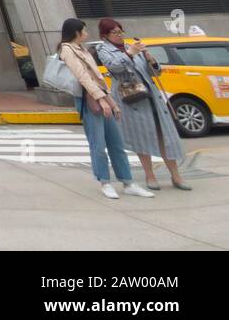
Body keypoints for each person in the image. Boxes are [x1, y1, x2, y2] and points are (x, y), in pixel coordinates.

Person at [56, 17, 154, 200]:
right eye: (84, 30)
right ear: (76, 32)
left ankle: (128, 182)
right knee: (98, 144)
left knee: (116, 142)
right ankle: (105, 182)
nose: (87, 33)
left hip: (100, 96)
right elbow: (83, 77)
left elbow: (97, 78)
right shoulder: (67, 50)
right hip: (88, 100)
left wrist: (112, 102)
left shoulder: (82, 49)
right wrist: (101, 100)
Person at [94, 18, 190, 191]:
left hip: (151, 95)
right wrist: (129, 53)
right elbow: (115, 68)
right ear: (105, 35)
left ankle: (176, 175)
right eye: (115, 33)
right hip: (132, 98)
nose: (119, 35)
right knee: (141, 136)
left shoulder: (133, 45)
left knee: (165, 135)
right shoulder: (103, 49)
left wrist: (149, 58)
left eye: (120, 31)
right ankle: (149, 175)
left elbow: (155, 72)